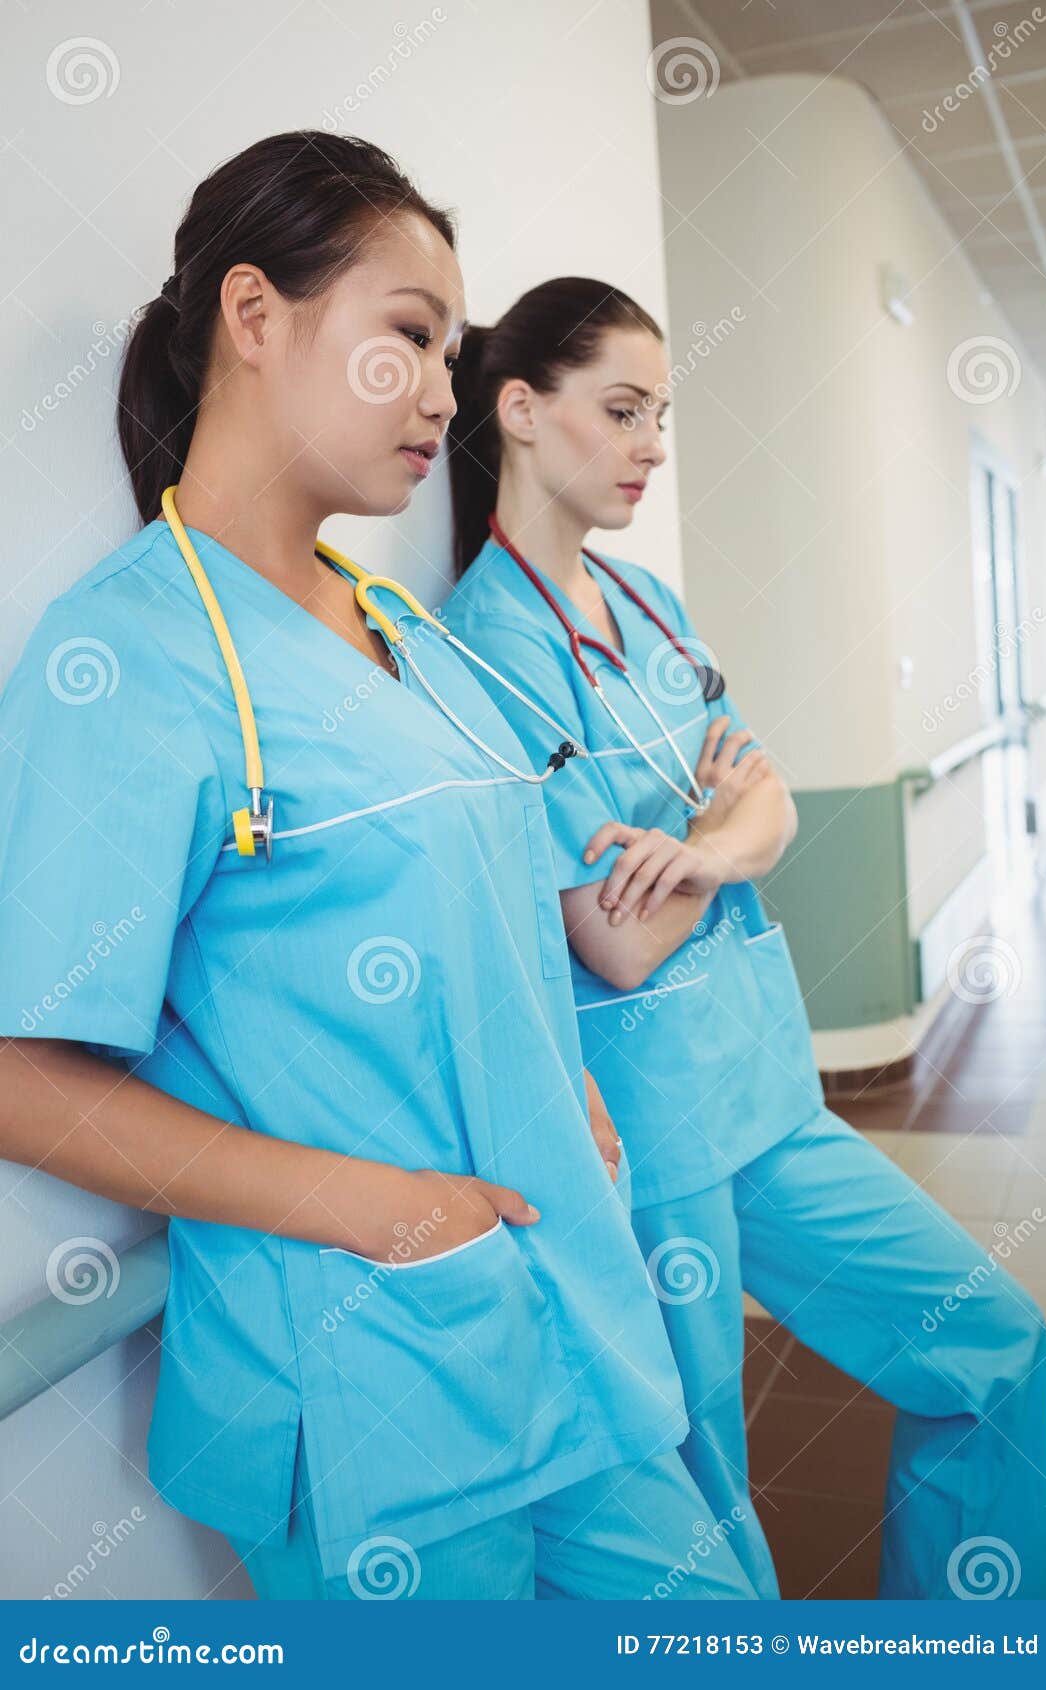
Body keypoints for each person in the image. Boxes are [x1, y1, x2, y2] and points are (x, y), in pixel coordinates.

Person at [0, 142, 760, 1602]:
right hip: (374, 1376)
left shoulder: (407, 630)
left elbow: (488, 911)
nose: (443, 392)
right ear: (255, 314)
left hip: (567, 1317)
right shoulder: (130, 660)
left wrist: (561, 1076)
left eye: (454, 354)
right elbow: (25, 1075)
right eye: (409, 336)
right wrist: (377, 1211)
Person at [442, 275, 1046, 1600]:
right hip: (650, 1137)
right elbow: (613, 943)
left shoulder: (654, 607)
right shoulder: (477, 652)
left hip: (766, 1095)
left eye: (659, 414)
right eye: (621, 410)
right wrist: (726, 827)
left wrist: (708, 847)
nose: (652, 445)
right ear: (521, 411)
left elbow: (768, 806)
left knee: (995, 1343)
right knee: (713, 1509)